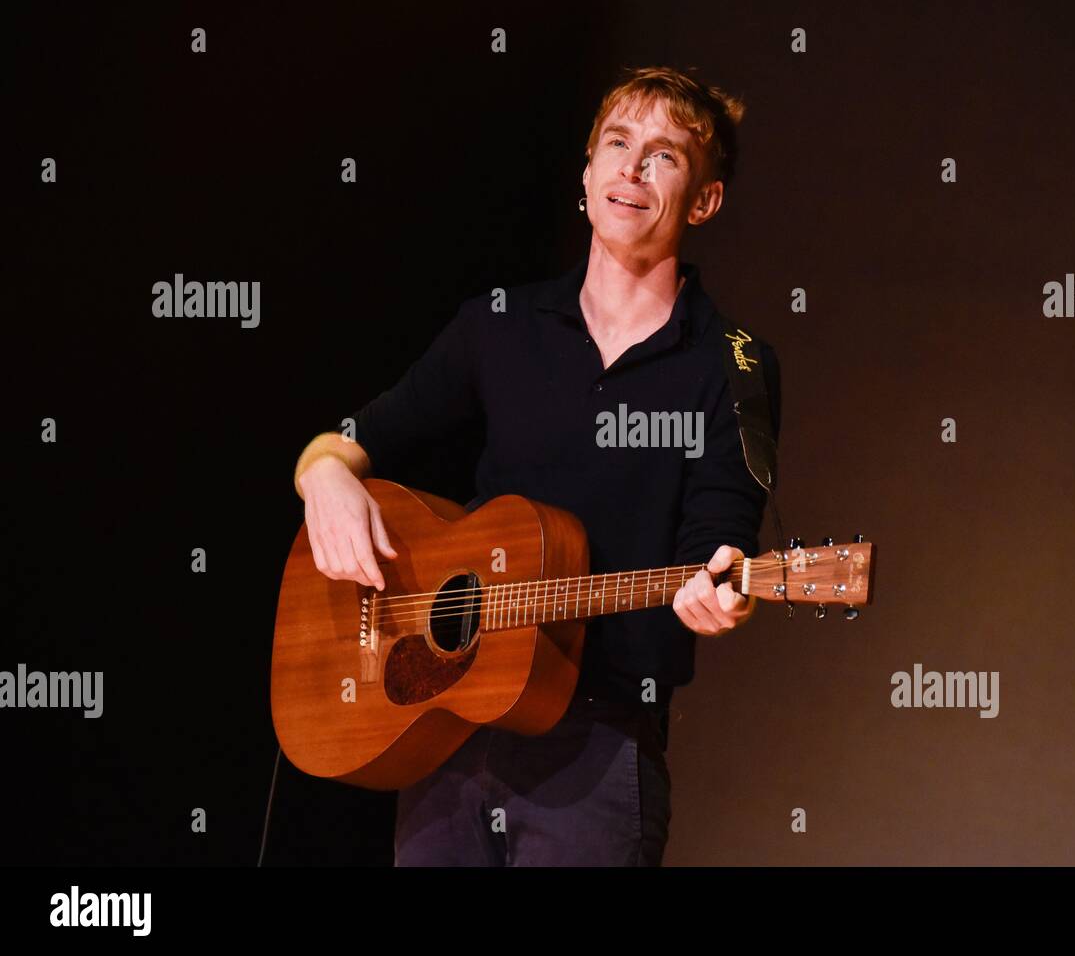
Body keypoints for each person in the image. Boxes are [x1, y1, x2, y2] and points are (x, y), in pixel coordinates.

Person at [291, 65, 779, 866]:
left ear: (704, 201)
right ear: (586, 174)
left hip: (597, 749)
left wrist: (723, 587)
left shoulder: (735, 365)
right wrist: (326, 478)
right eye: (616, 144)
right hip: (447, 736)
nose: (630, 167)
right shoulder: (498, 325)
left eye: (662, 155)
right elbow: (349, 437)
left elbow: (721, 540)